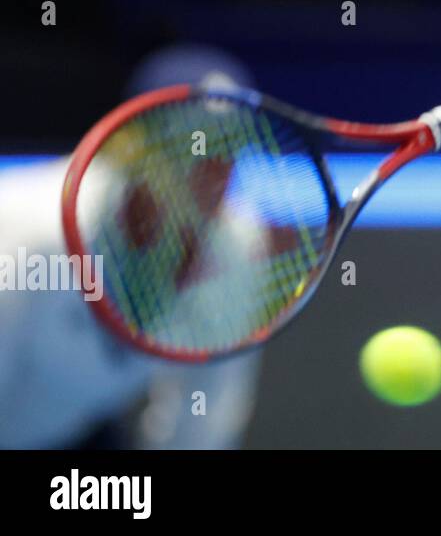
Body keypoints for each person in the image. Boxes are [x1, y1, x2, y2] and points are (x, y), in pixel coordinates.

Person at [0, 45, 262, 449]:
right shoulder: (24, 236)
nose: (214, 171)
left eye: (229, 148)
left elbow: (202, 424)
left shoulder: (239, 248)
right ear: (130, 150)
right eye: (190, 146)